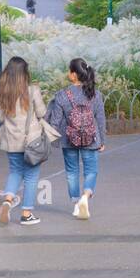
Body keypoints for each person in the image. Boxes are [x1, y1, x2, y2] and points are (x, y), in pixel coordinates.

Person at [45, 57, 107, 220]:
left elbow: (55, 121)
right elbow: (100, 119)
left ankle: (75, 204)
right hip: (91, 139)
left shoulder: (62, 95)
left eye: (69, 71)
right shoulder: (95, 94)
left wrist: (51, 139)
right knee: (91, 171)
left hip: (68, 139)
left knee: (72, 172)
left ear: (74, 75)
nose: (68, 74)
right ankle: (85, 196)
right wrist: (102, 141)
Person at [0, 56, 46, 226]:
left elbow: (0, 118)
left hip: (11, 141)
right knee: (31, 176)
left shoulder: (2, 92)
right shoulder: (32, 90)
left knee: (15, 171)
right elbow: (41, 113)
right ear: (24, 73)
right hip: (32, 141)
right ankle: (26, 214)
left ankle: (8, 201)